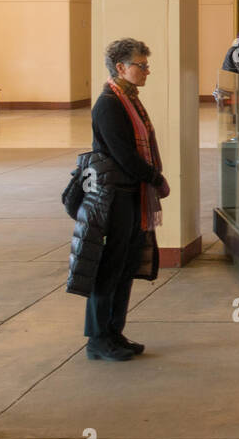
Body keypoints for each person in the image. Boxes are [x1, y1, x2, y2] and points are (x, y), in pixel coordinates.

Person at [68, 38, 167, 361]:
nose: (147, 71)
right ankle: (97, 338)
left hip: (131, 193)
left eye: (146, 64)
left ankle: (114, 331)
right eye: (142, 65)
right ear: (121, 67)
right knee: (110, 266)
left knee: (126, 265)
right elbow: (124, 154)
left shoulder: (129, 100)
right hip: (116, 196)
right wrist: (154, 178)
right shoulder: (110, 104)